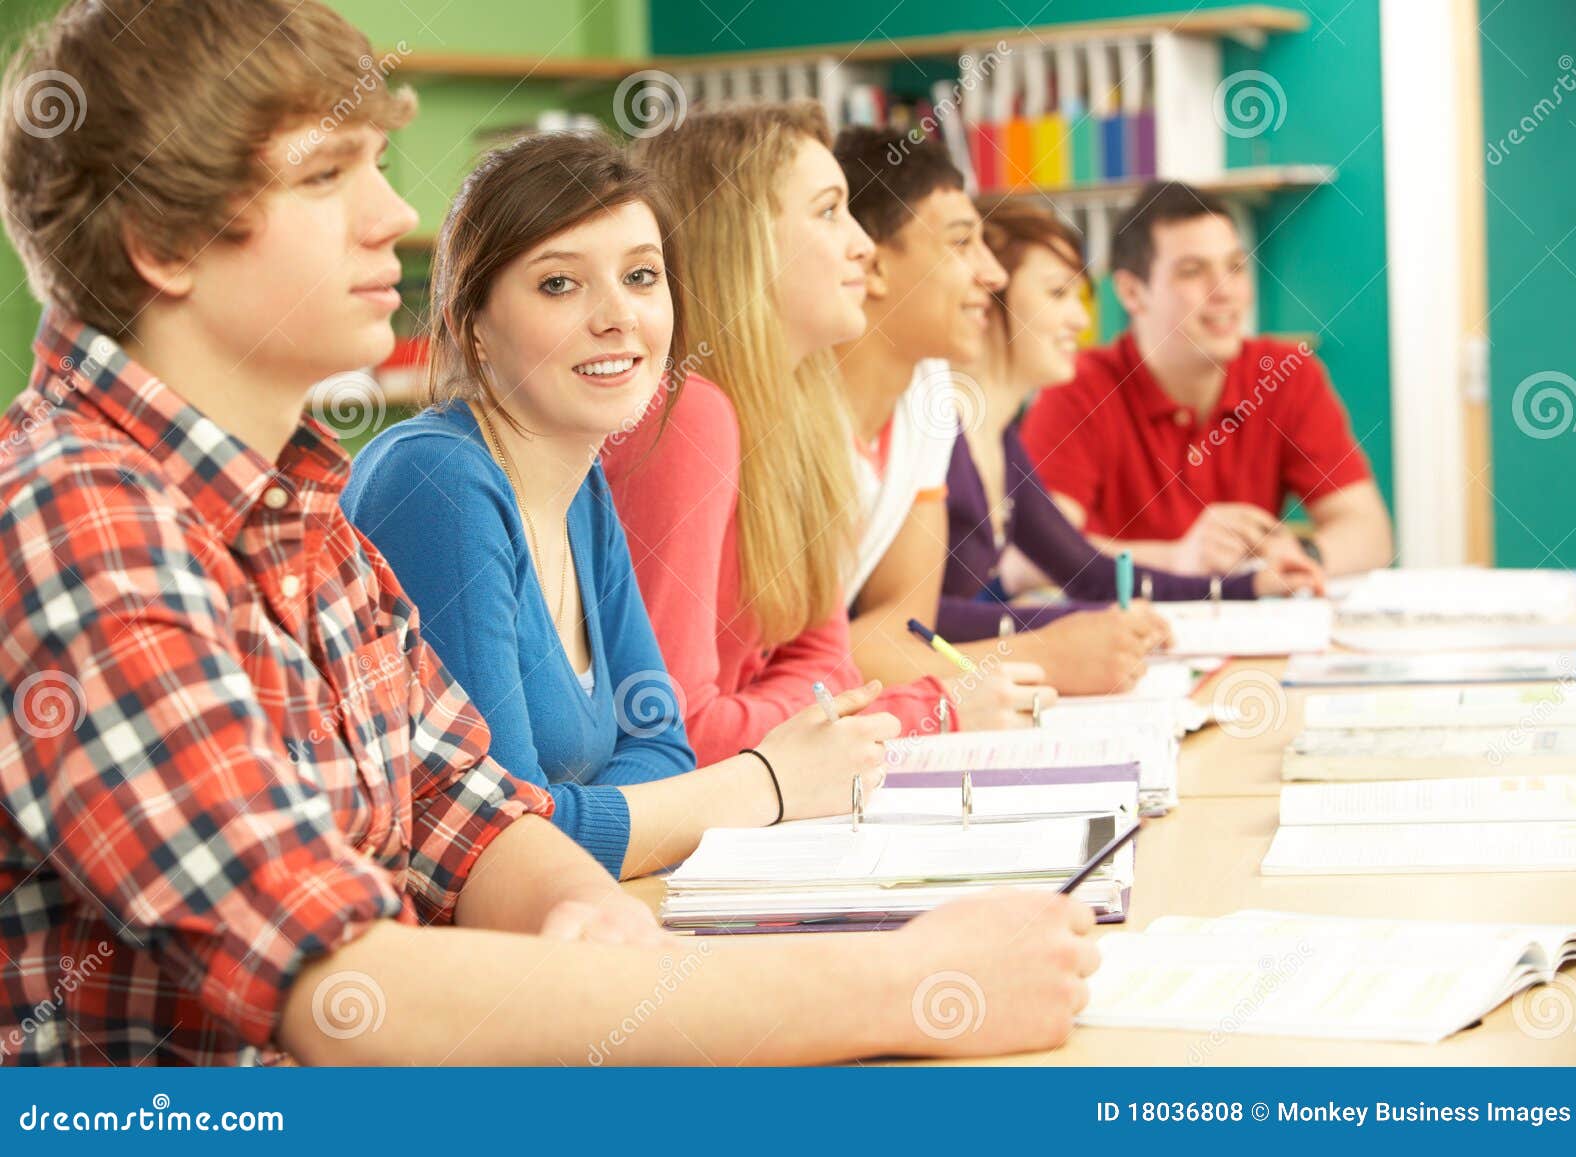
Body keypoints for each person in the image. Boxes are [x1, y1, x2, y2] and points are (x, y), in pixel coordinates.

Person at [0, 0, 1098, 1067]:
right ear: (161, 240)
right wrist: (908, 985)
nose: (390, 214)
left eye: (377, 165)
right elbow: (339, 986)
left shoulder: (293, 508)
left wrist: (586, 916)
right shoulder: (75, 517)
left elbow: (463, 808)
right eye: (327, 175)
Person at [344, 131, 897, 880]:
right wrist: (763, 782)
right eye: (559, 285)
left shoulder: (582, 489)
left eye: (642, 276)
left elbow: (662, 747)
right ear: (471, 323)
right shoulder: (437, 482)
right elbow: (504, 844)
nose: (618, 316)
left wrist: (592, 814)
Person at [606, 104, 1053, 759]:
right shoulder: (687, 415)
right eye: (828, 211)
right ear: (742, 242)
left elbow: (827, 661)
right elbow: (680, 734)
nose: (863, 245)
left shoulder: (802, 415)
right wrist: (931, 706)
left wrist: (798, 706)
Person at [830, 127, 1166, 696]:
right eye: (962, 243)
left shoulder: (925, 392)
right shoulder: (795, 419)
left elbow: (896, 631)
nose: (993, 275)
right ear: (872, 263)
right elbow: (847, 650)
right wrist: (1050, 649)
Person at [934, 193, 1323, 644]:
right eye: (1059, 293)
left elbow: (1090, 575)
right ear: (987, 297)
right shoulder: (937, 439)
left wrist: (1248, 586)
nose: (1081, 320)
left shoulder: (998, 438)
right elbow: (910, 622)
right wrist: (1074, 629)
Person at [1019, 181, 1394, 577]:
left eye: (1234, 266)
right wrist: (1181, 559)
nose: (1225, 291)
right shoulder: (1077, 387)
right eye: (1193, 271)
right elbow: (1025, 562)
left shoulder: (1284, 374)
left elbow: (1370, 533)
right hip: (1128, 629)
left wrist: (1302, 560)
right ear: (1132, 292)